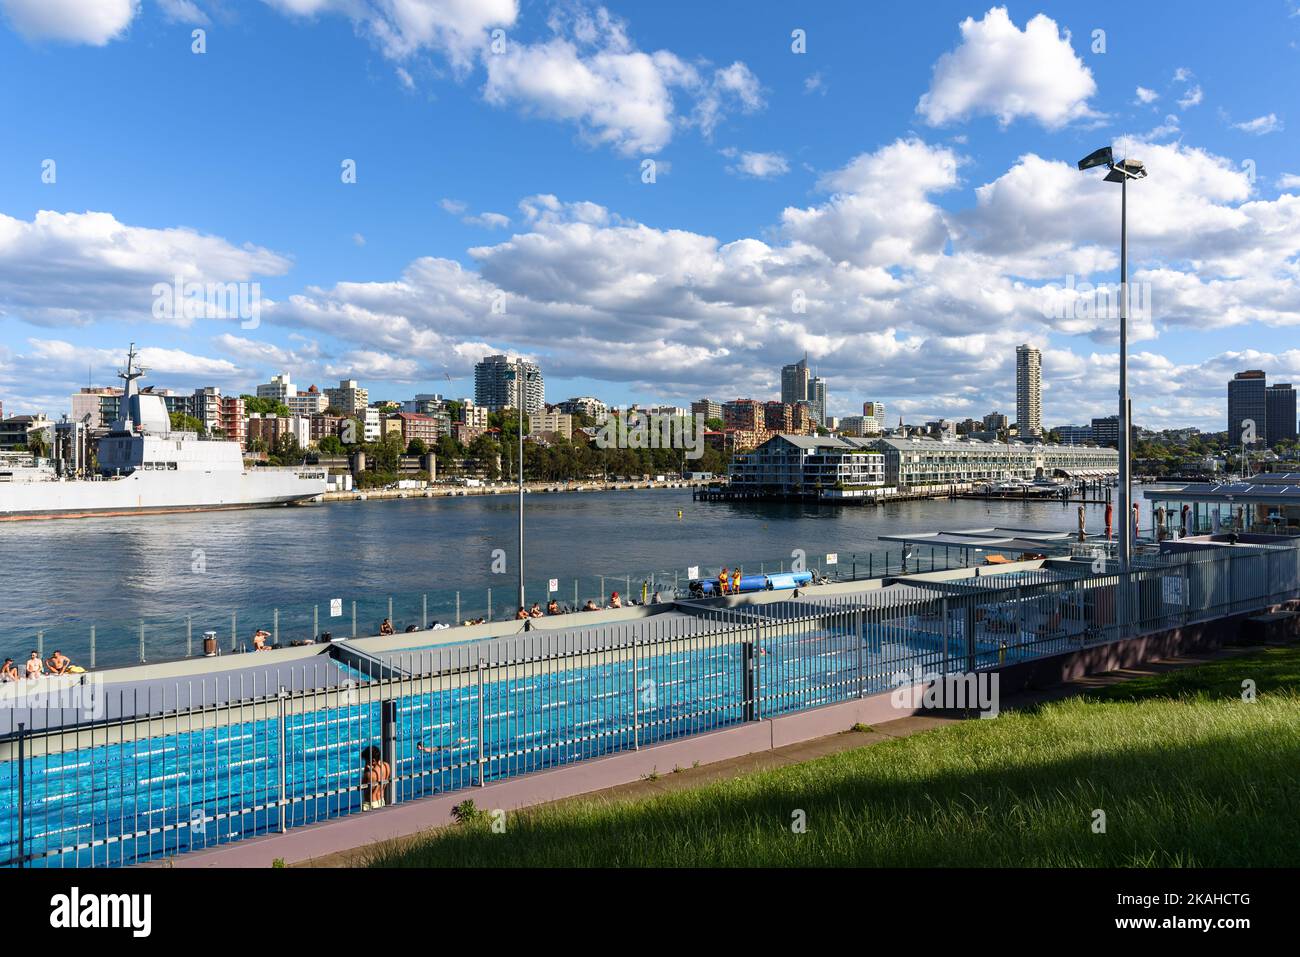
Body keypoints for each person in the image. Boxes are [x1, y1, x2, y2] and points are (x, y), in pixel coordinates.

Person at [360, 745, 390, 811]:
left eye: (366, 761)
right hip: (381, 801)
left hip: (370, 804)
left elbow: (362, 787)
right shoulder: (386, 766)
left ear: (373, 760)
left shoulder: (369, 774)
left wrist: (366, 770)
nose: (366, 763)